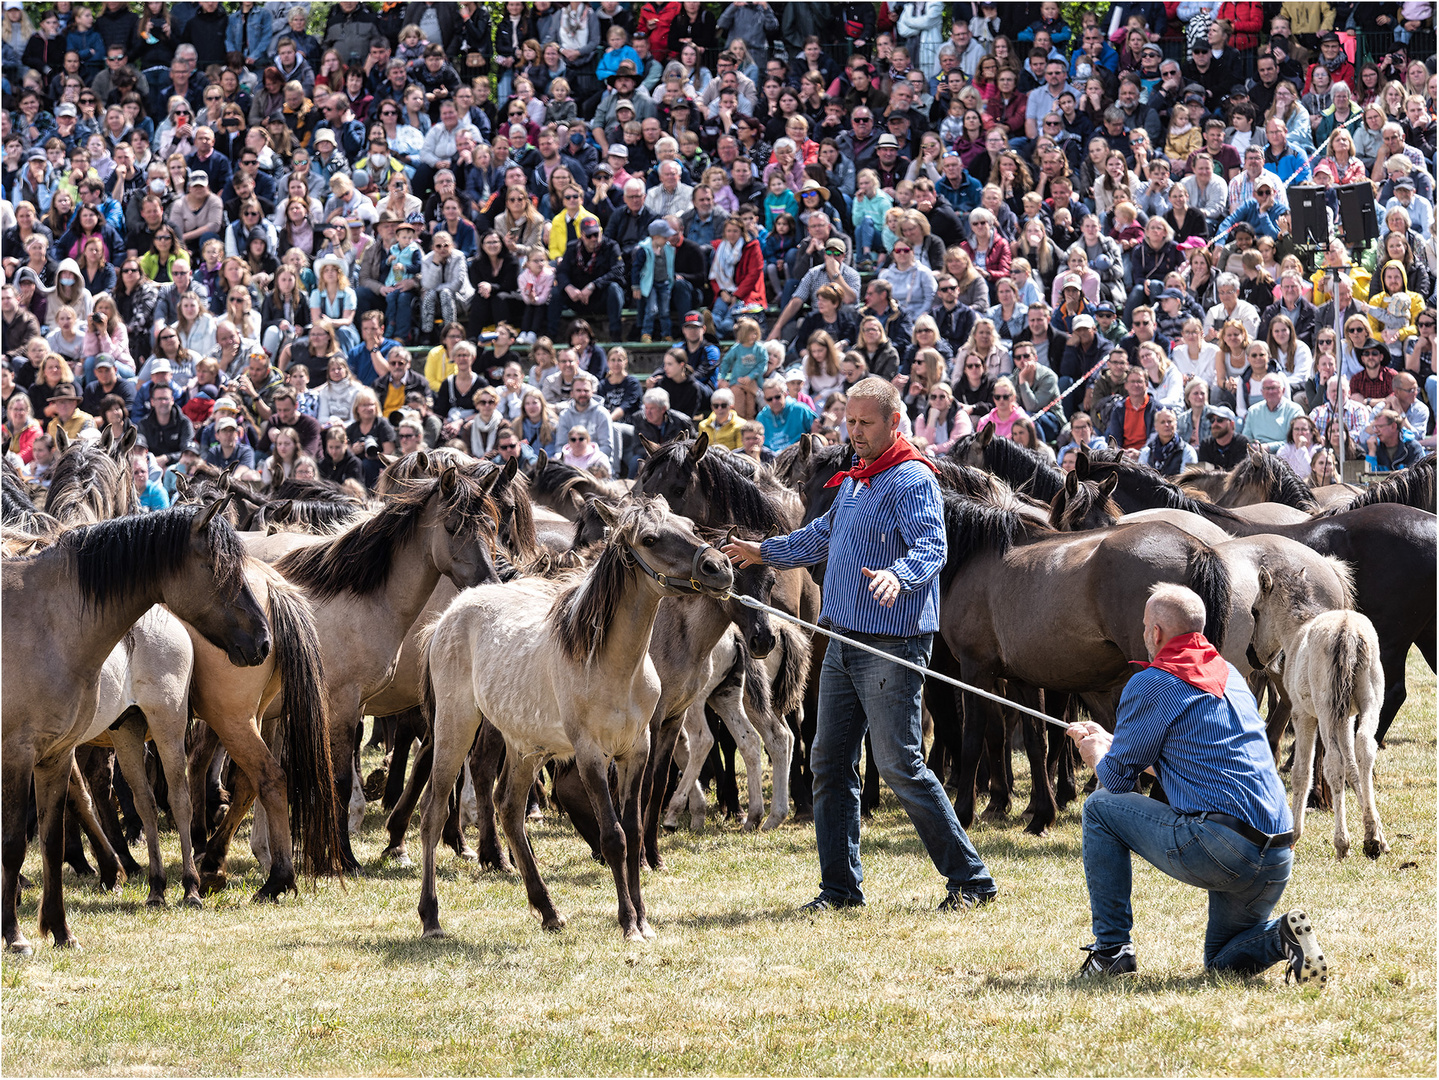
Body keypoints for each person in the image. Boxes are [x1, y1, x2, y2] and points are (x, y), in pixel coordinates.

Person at [723, 376, 996, 914]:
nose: (854, 431)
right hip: (842, 639)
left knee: (899, 766)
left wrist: (899, 575)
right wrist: (763, 552)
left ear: (894, 422)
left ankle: (971, 880)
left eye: (865, 422)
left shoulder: (912, 478)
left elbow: (932, 546)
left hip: (892, 643)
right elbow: (819, 537)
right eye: (849, 422)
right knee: (828, 764)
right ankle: (840, 889)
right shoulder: (855, 480)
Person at [1067, 584, 1324, 986]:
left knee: (1099, 808)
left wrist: (1099, 754)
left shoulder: (1152, 682)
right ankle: (1282, 936)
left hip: (1222, 847)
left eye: (1145, 626)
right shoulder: (1231, 676)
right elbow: (1192, 761)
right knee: (1221, 962)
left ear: (1155, 633)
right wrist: (1116, 746)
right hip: (1276, 853)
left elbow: (1115, 780)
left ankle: (1111, 951)